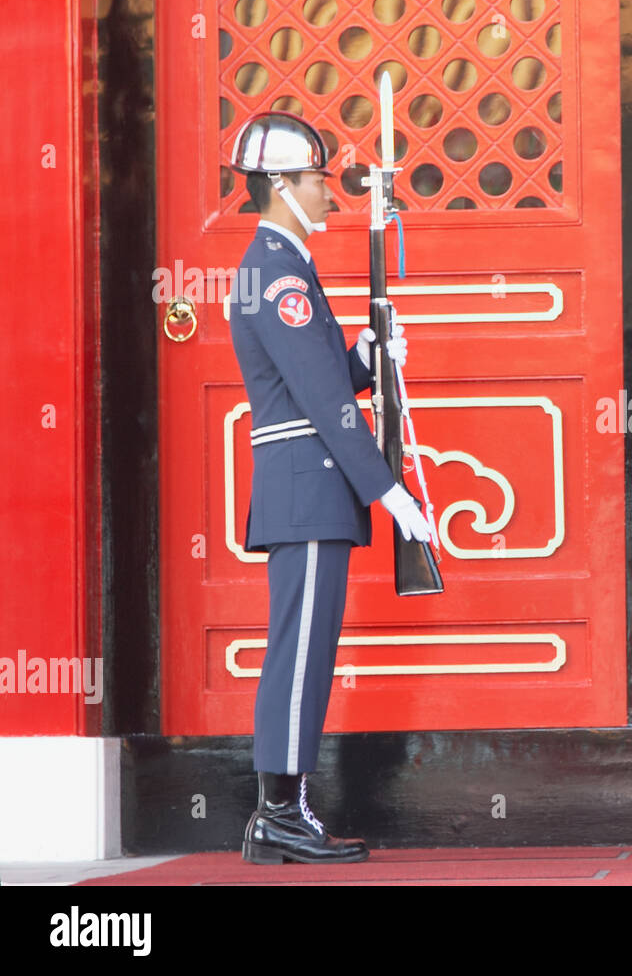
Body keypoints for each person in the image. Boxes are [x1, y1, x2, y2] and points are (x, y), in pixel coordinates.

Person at [227, 112, 435, 864]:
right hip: (308, 485)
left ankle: (280, 813)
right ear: (281, 185)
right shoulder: (279, 272)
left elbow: (317, 376)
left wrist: (362, 352)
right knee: (301, 650)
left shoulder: (284, 263)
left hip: (307, 483)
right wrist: (388, 489)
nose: (329, 191)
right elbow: (322, 404)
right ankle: (280, 810)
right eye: (318, 178)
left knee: (306, 647)